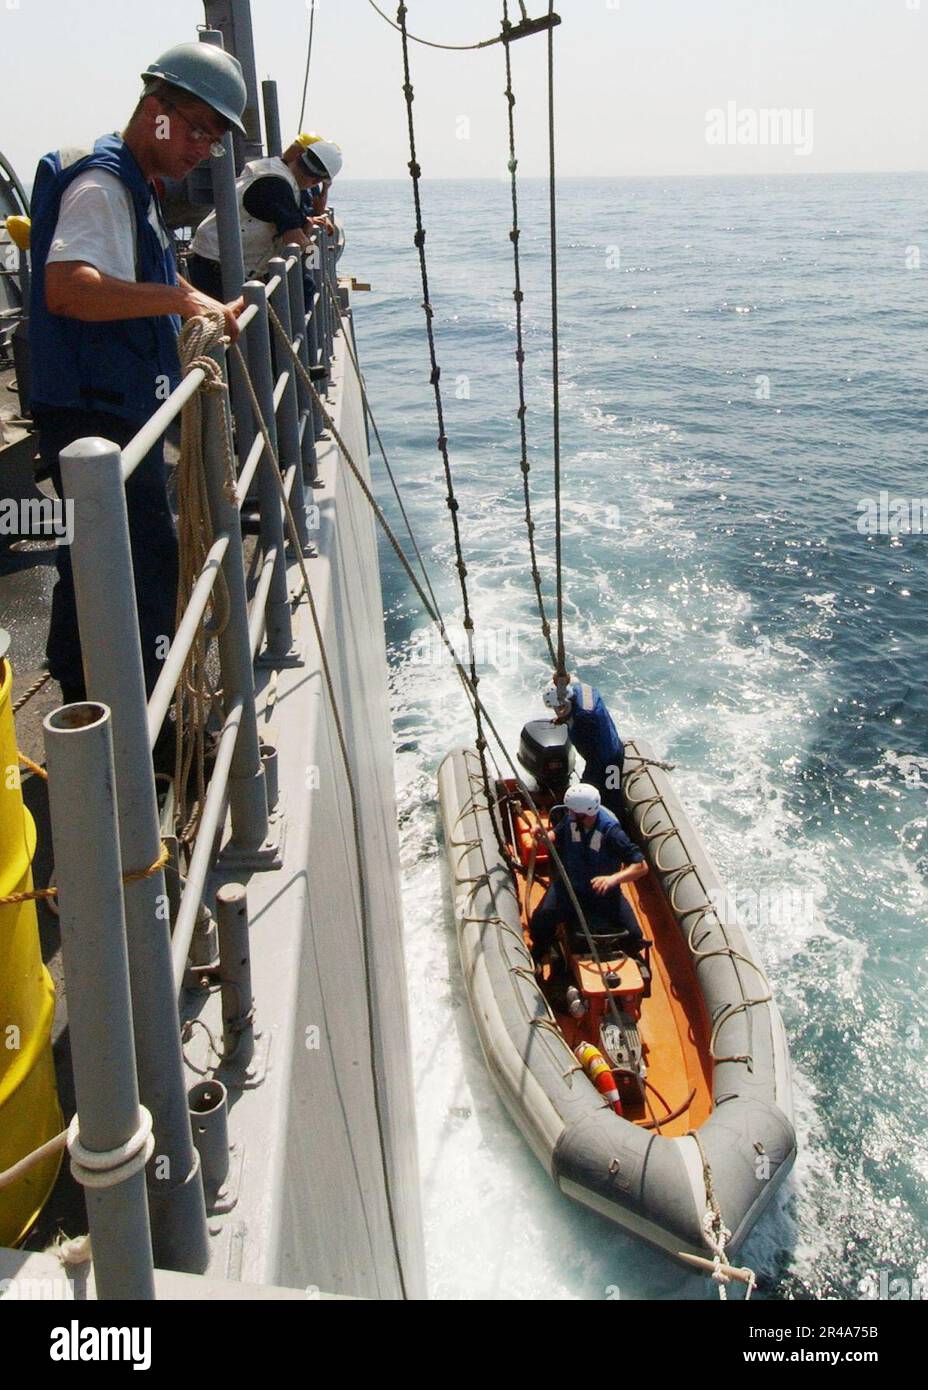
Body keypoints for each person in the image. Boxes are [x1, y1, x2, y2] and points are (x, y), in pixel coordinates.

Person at [29, 42, 248, 705]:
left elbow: (147, 271)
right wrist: (180, 301)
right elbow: (70, 288)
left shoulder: (136, 186)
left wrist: (196, 298)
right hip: (95, 411)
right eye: (194, 128)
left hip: (117, 403)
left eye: (211, 139)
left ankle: (89, 704)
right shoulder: (101, 185)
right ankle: (138, 734)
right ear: (155, 108)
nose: (199, 148)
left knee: (97, 559)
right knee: (134, 562)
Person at [186, 133, 342, 301]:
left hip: (216, 261)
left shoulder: (275, 170)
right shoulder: (278, 185)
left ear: (299, 156)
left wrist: (306, 224)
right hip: (217, 266)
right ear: (317, 180)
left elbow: (273, 213)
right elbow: (294, 239)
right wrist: (317, 261)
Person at [529, 783, 648, 968]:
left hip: (603, 894)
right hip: (570, 887)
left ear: (585, 813)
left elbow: (641, 866)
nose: (569, 815)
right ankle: (543, 952)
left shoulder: (611, 832)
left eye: (572, 812)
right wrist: (543, 836)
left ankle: (632, 960)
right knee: (540, 921)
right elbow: (556, 834)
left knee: (634, 935)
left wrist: (612, 879)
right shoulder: (572, 820)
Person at [543, 675, 626, 816]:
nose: (559, 711)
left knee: (609, 796)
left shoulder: (584, 719)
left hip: (609, 760)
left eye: (561, 707)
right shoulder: (580, 689)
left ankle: (615, 822)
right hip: (612, 744)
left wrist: (589, 781)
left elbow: (594, 756)